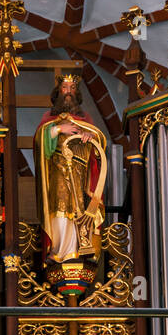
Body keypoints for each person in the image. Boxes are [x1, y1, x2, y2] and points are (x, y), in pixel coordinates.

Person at [33, 74, 108, 264]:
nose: (68, 92)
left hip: (81, 172)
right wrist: (58, 129)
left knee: (80, 209)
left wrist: (89, 136)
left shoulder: (85, 119)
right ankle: (60, 250)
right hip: (57, 170)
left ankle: (78, 247)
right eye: (65, 88)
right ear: (58, 92)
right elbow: (40, 141)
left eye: (72, 89)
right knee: (60, 207)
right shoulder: (49, 118)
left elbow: (99, 147)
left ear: (77, 94)